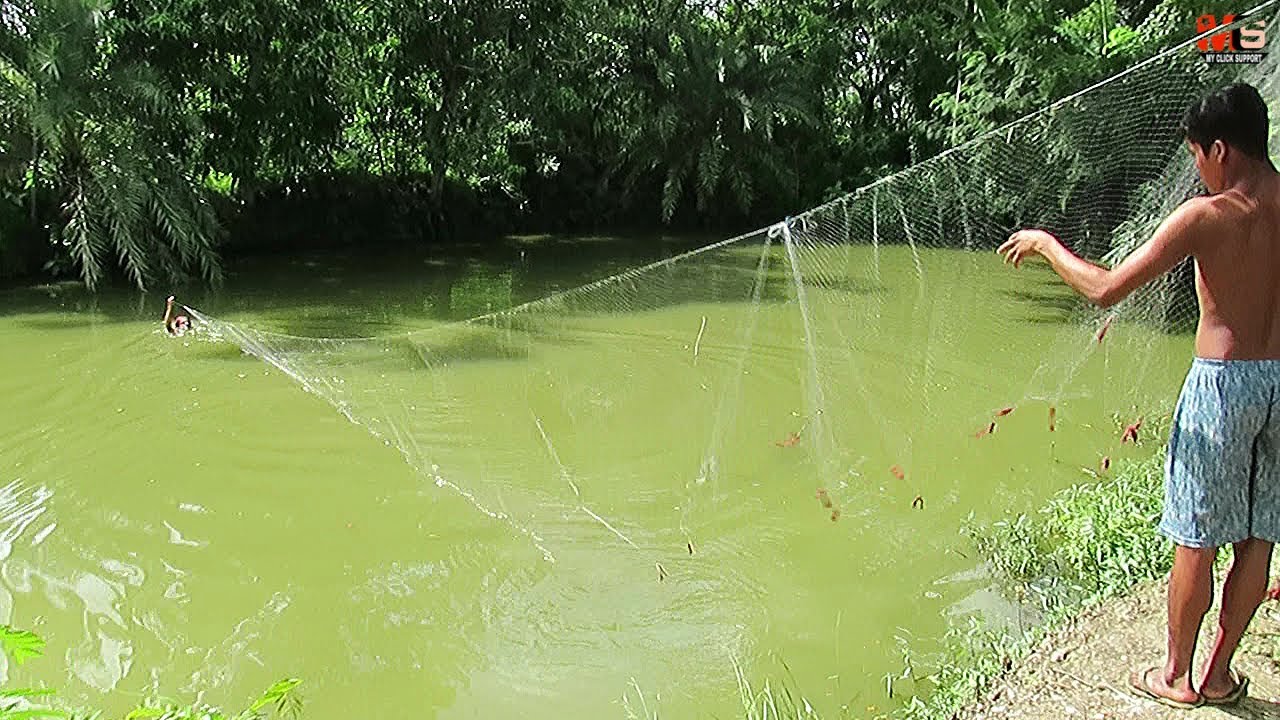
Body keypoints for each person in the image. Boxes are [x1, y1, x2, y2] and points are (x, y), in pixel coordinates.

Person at [998, 81, 1280, 709]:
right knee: (1259, 536)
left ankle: (1177, 677)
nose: (1198, 171)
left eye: (1198, 158)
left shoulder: (1206, 217)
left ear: (1220, 149)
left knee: (1197, 538)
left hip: (1223, 385)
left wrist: (1045, 243)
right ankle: (1219, 674)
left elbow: (1105, 289)